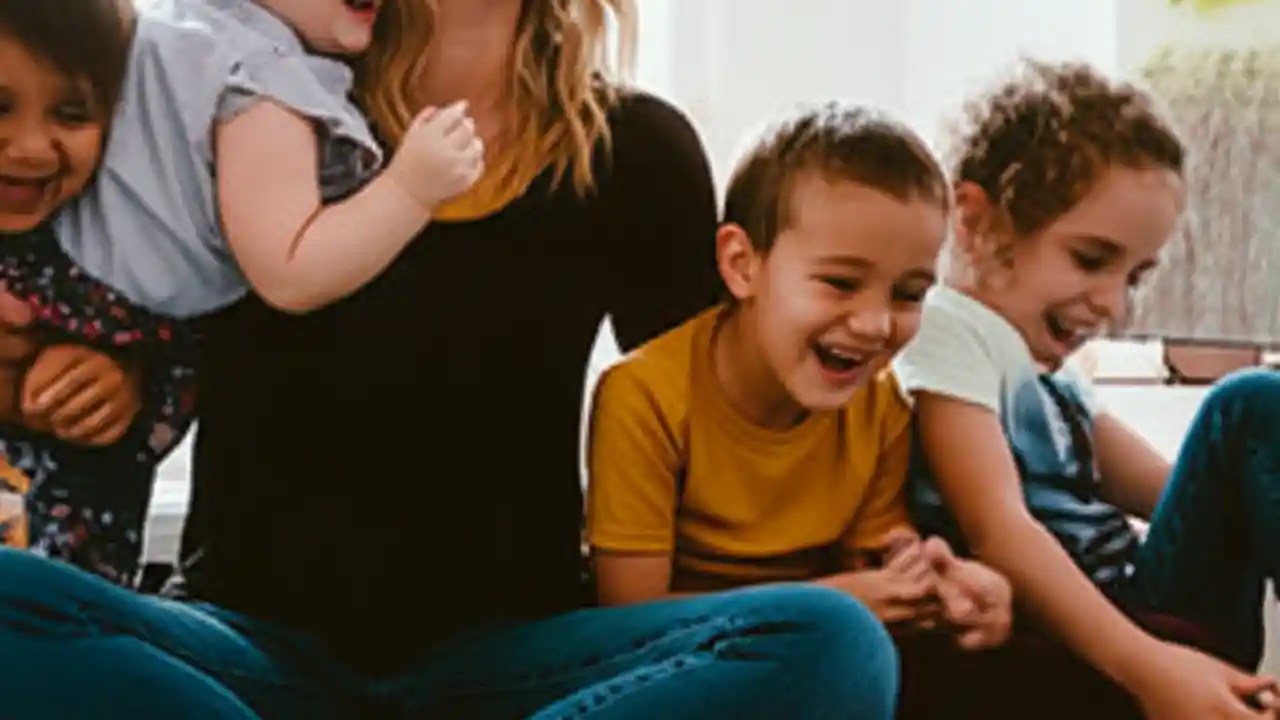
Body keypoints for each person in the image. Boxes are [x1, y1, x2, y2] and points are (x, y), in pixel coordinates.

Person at [0, 1, 901, 717]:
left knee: (834, 643)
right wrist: (119, 376)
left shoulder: (635, 153)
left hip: (516, 658)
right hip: (251, 646)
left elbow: (717, 429)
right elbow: (114, 295)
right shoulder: (260, 101)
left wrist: (892, 548)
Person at [894, 58, 1280, 719]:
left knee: (1254, 414)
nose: (1113, 305)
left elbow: (1182, 491)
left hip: (1145, 611)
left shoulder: (1053, 377)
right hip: (1074, 642)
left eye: (1134, 277)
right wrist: (1150, 669)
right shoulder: (945, 329)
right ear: (977, 221)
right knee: (1245, 406)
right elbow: (998, 531)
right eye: (1091, 259)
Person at [586, 102, 1012, 654]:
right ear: (742, 265)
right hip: (676, 662)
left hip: (810, 648)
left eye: (908, 294)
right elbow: (629, 616)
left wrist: (938, 583)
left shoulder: (879, 405)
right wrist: (823, 604)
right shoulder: (644, 397)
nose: (876, 324)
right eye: (840, 283)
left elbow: (880, 555)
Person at [56, 0, 481, 319]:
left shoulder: (167, 21)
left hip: (48, 273)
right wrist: (410, 189)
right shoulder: (265, 85)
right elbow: (290, 274)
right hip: (110, 318)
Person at [0, 0, 194, 584]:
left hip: (73, 611)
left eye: (72, 114)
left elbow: (186, 363)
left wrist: (127, 385)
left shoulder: (128, 257)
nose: (32, 147)